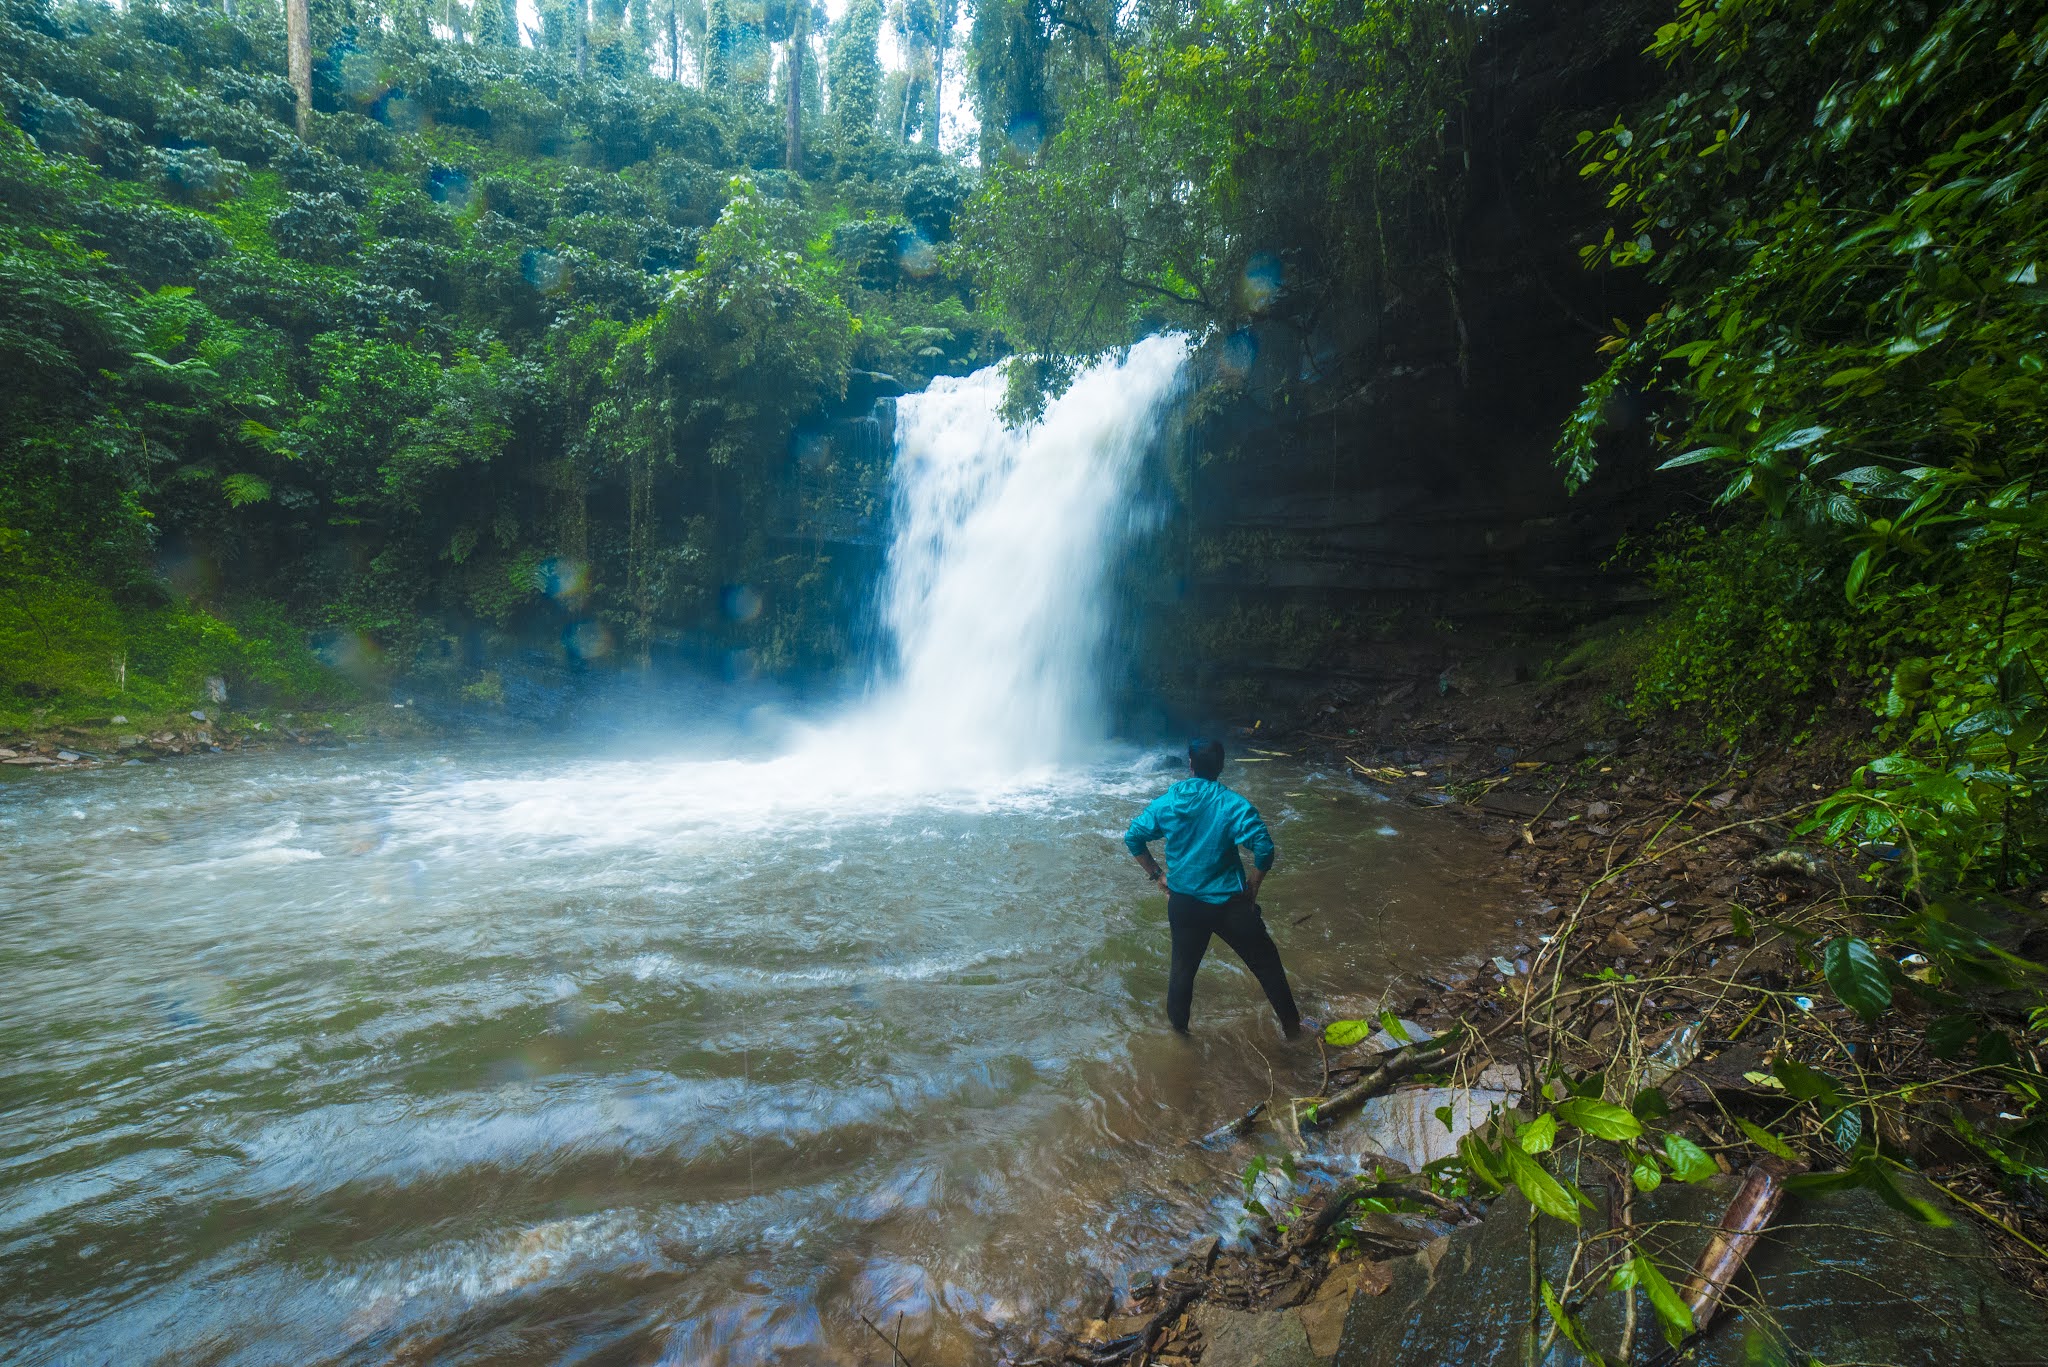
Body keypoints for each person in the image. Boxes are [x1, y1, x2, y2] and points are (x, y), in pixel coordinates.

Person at [1123, 739, 1304, 1037]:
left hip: (1184, 904)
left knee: (1182, 973)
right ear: (1221, 766)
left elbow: (1133, 837)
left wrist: (1157, 875)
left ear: (1190, 764)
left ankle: (1181, 1041)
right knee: (1267, 965)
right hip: (1229, 904)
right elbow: (1264, 848)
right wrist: (1253, 885)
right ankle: (1294, 1032)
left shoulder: (1167, 803)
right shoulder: (1232, 804)